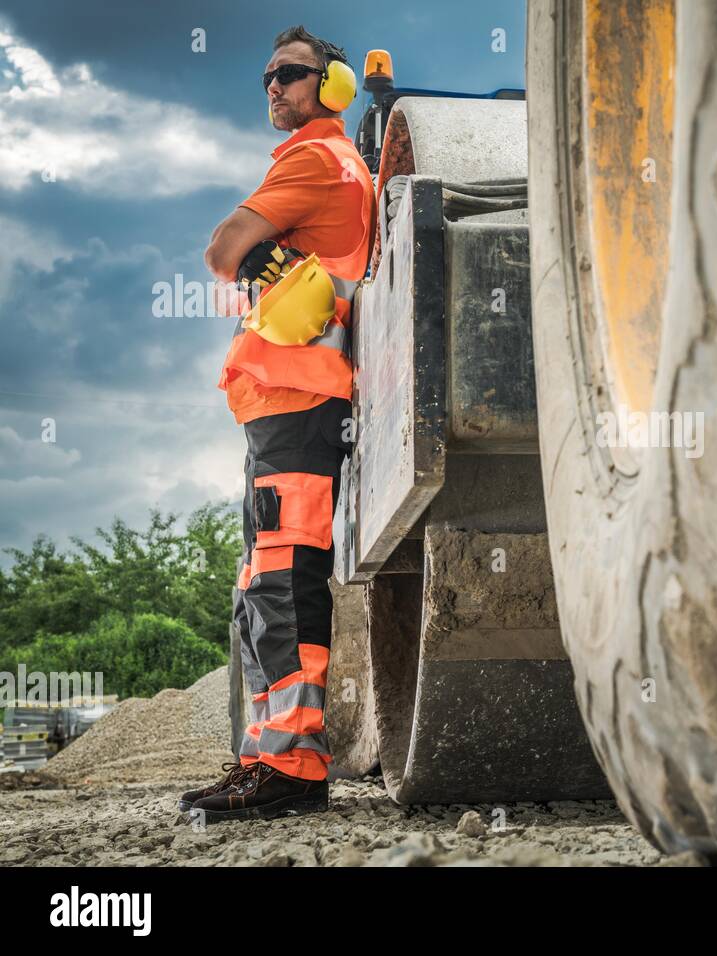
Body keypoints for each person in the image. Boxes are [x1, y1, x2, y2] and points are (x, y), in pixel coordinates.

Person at [178, 24, 375, 820]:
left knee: (286, 580)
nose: (273, 88)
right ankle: (265, 760)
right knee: (264, 582)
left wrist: (248, 258)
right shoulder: (327, 163)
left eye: (292, 75)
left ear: (331, 89)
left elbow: (223, 247)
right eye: (266, 77)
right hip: (285, 407)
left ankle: (293, 768)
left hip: (299, 402)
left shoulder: (315, 158)